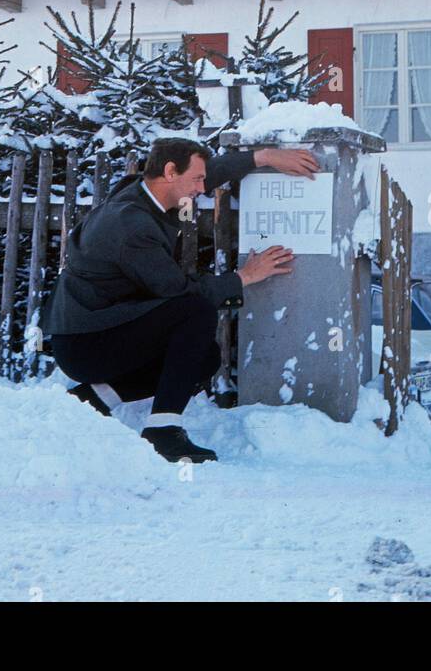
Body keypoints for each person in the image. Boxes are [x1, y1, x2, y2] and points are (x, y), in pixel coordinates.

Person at [42, 136, 317, 463]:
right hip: (86, 342)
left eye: (202, 178)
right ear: (170, 172)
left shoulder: (149, 192)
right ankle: (163, 432)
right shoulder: (131, 225)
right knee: (194, 310)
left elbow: (207, 172)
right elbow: (179, 292)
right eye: (197, 180)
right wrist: (246, 276)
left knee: (203, 358)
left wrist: (265, 156)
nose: (203, 188)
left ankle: (94, 398)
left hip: (104, 325)